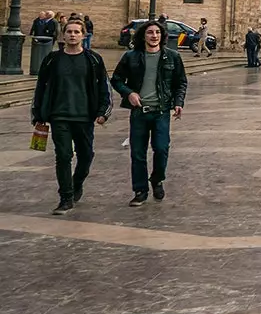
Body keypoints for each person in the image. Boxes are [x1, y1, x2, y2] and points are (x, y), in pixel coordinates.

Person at [32, 17, 111, 214]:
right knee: (63, 155)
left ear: (84, 36)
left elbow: (104, 88)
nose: (73, 35)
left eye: (77, 32)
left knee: (86, 155)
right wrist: (38, 113)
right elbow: (40, 87)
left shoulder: (93, 59)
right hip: (59, 116)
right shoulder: (52, 59)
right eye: (69, 32)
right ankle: (65, 197)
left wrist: (103, 112)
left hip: (84, 117)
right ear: (63, 35)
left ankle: (77, 184)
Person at [110, 21, 188, 207]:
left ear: (162, 36)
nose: (154, 36)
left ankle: (157, 179)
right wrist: (129, 93)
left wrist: (178, 103)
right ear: (143, 36)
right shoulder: (131, 56)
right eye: (150, 33)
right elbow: (116, 79)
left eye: (157, 33)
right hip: (139, 112)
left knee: (161, 149)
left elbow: (181, 82)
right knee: (138, 153)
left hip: (161, 111)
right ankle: (140, 190)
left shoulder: (172, 57)